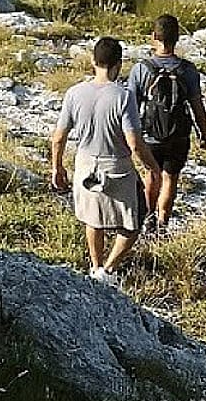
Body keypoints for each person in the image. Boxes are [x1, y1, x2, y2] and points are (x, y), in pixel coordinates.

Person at [51, 36, 160, 288]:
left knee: (93, 219)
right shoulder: (123, 96)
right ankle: (108, 269)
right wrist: (151, 167)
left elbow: (58, 137)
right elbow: (133, 141)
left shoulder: (74, 93)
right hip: (117, 168)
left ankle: (96, 266)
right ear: (118, 65)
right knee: (132, 223)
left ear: (92, 61)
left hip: (85, 165)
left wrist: (57, 167)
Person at [127, 14, 206, 233]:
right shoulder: (188, 70)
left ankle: (147, 217)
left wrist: (127, 136)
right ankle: (163, 223)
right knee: (170, 178)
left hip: (150, 133)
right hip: (178, 134)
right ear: (178, 38)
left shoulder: (141, 69)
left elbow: (132, 105)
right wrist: (204, 132)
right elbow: (196, 105)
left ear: (154, 37)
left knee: (151, 174)